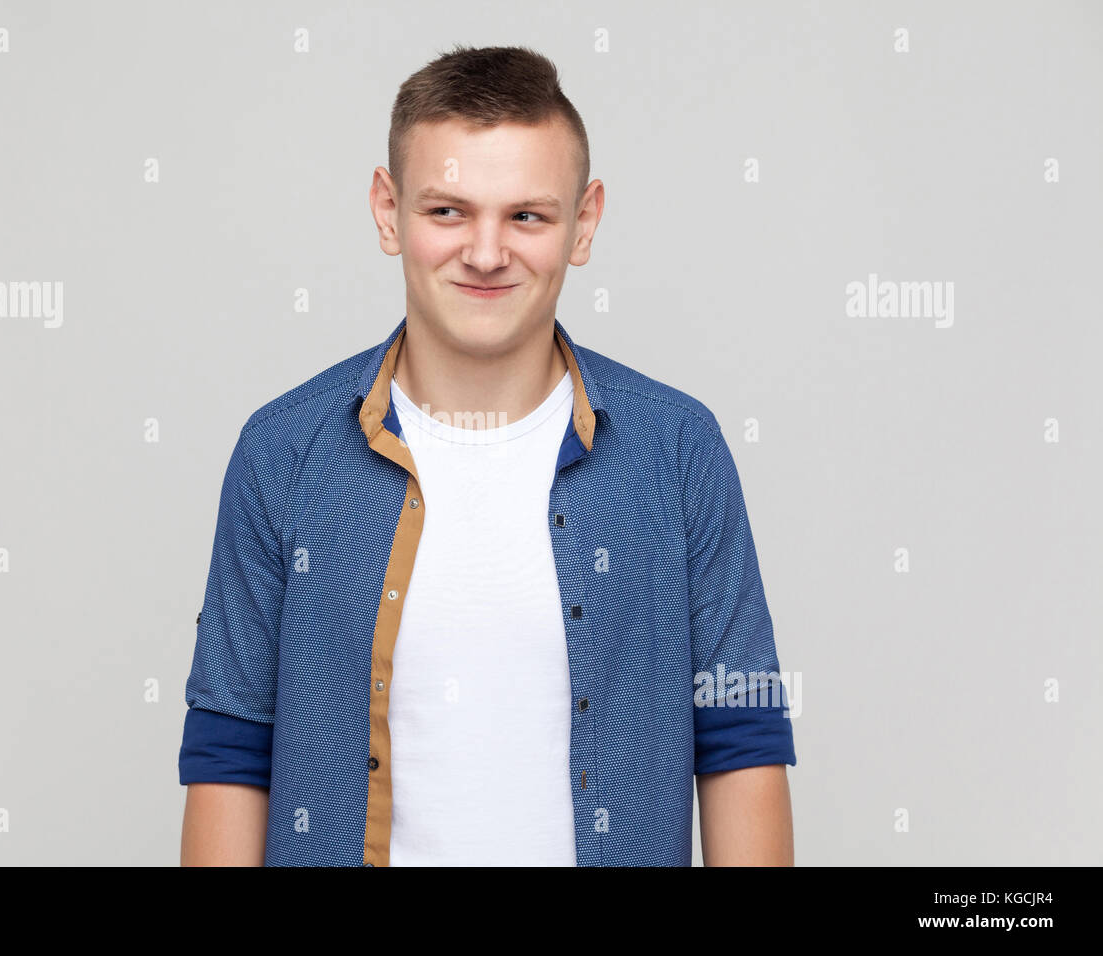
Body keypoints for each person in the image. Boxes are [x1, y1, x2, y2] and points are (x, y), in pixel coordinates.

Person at [179, 44, 796, 866]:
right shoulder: (282, 453)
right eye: (447, 212)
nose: (485, 251)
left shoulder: (679, 450)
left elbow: (740, 733)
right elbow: (230, 750)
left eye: (527, 216)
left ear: (584, 223)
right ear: (386, 210)